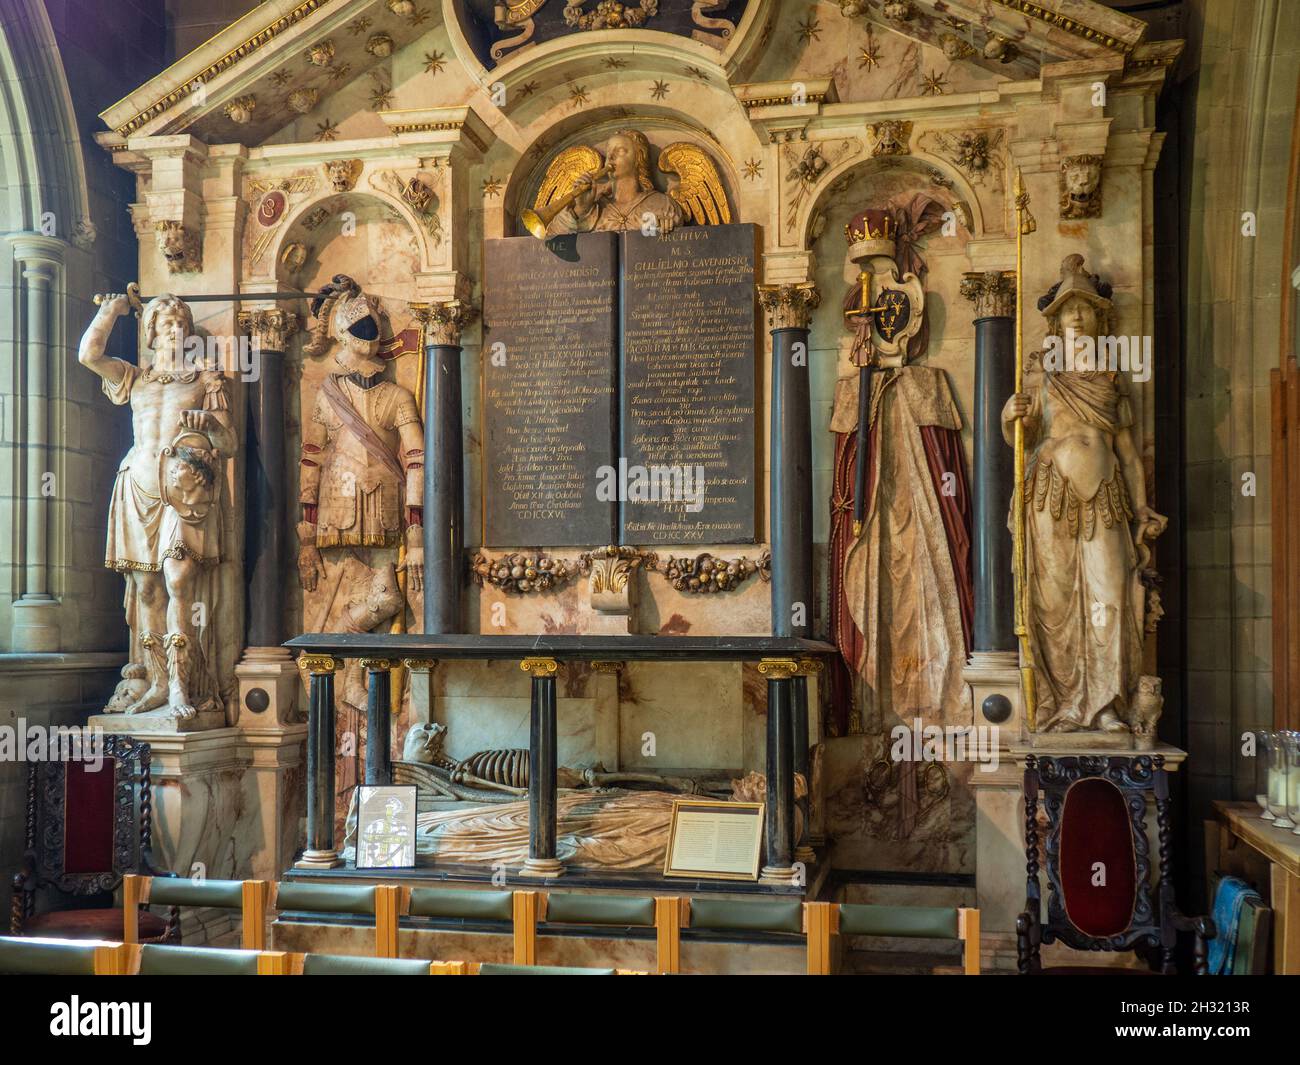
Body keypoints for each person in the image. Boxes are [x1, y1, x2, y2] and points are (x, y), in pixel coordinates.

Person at [1001, 255, 1165, 733]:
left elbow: (1130, 454)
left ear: (1100, 317)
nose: (1076, 317)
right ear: (1054, 321)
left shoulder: (1113, 379)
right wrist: (1011, 416)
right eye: (1067, 310)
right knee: (1053, 602)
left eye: (1085, 309)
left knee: (1110, 595)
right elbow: (1022, 437)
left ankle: (1106, 704)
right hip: (1050, 495)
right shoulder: (1040, 372)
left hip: (1106, 496)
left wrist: (1141, 508)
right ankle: (1063, 704)